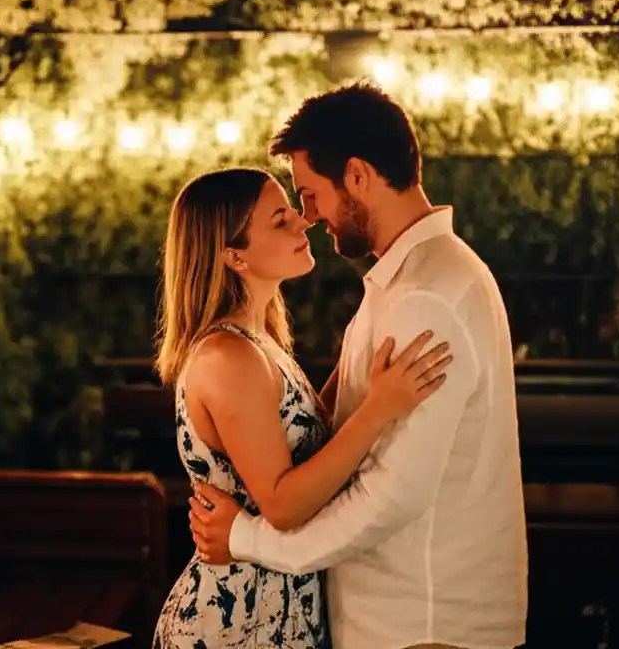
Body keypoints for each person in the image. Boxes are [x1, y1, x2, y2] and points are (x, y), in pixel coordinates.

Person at [189, 82, 529, 649]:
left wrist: (248, 539)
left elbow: (391, 496)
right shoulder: (411, 281)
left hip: (421, 624)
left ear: (357, 176)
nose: (308, 215)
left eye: (310, 193)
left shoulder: (426, 296)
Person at [151, 166, 451, 648]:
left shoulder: (259, 343)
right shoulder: (229, 357)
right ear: (233, 256)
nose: (302, 223)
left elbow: (311, 436)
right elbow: (283, 504)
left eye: (292, 211)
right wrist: (380, 409)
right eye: (279, 221)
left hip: (281, 607)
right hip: (238, 622)